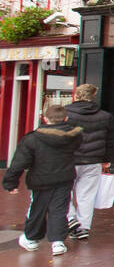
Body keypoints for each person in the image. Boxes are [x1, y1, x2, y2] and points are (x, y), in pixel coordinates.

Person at [4, 102, 84, 255]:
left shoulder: (32, 139)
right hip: (64, 177)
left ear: (45, 118)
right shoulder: (74, 137)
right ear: (65, 118)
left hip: (40, 179)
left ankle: (31, 238)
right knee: (60, 209)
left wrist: (11, 182)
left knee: (37, 208)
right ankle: (58, 242)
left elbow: (19, 162)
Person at [64, 83, 114, 240]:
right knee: (87, 195)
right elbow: (109, 141)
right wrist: (107, 160)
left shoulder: (66, 113)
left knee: (63, 191)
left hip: (68, 160)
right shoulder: (106, 116)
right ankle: (83, 227)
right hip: (92, 161)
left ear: (76, 95)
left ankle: (70, 218)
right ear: (93, 97)